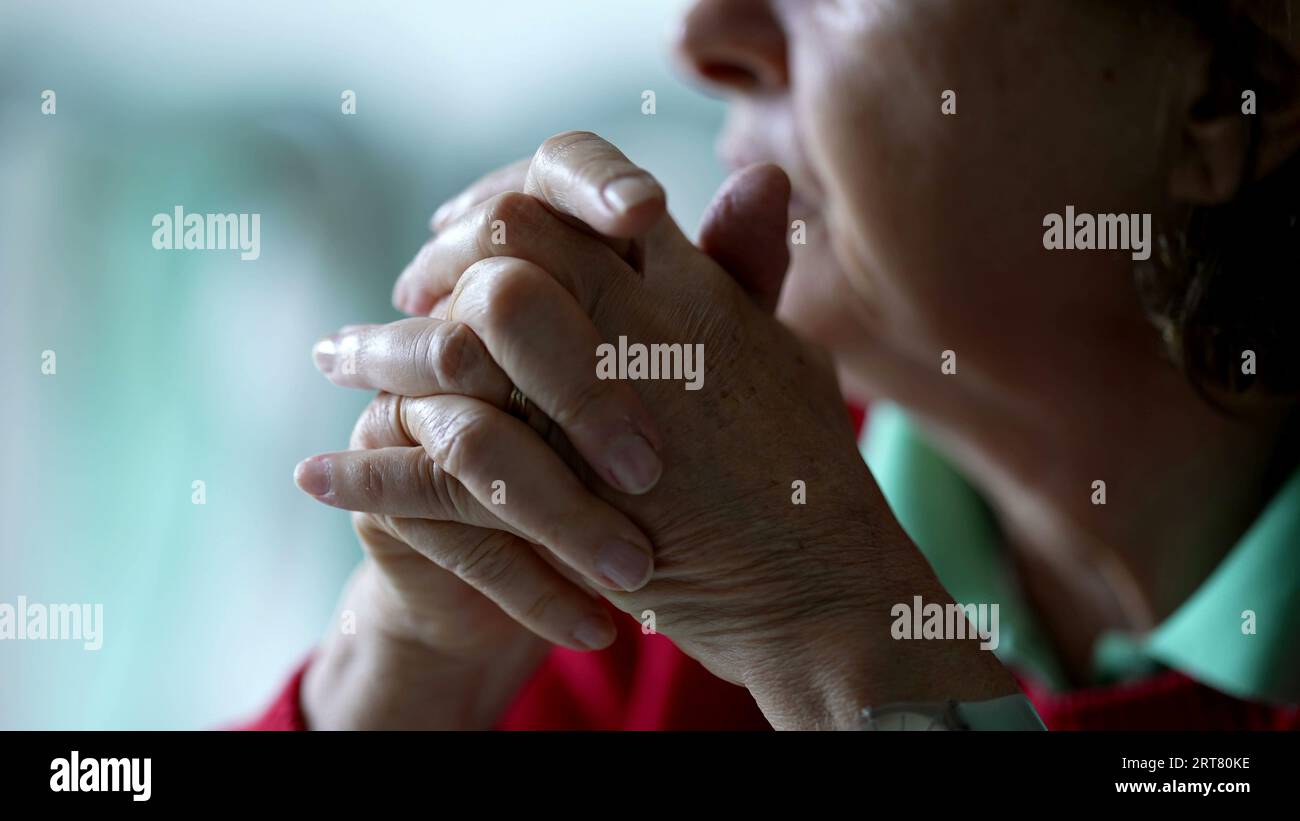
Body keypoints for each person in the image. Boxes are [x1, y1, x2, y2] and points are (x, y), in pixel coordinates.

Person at [251, 0, 1300, 730]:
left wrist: (838, 634)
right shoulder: (648, 517)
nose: (700, 33)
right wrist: (405, 673)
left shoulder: (745, 553)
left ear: (1228, 95)